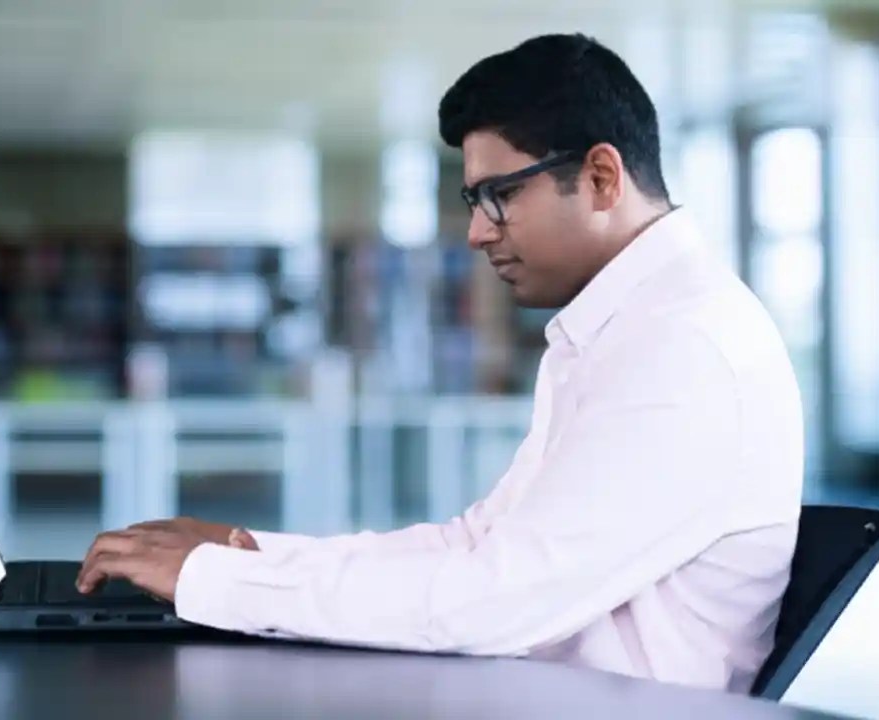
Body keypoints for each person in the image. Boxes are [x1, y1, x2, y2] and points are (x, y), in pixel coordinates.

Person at [76, 33, 803, 693]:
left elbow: (490, 601)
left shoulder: (684, 347)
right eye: (472, 200)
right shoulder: (625, 331)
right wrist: (251, 556)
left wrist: (221, 584)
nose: (478, 233)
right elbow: (474, 547)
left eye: (500, 196)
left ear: (602, 179)